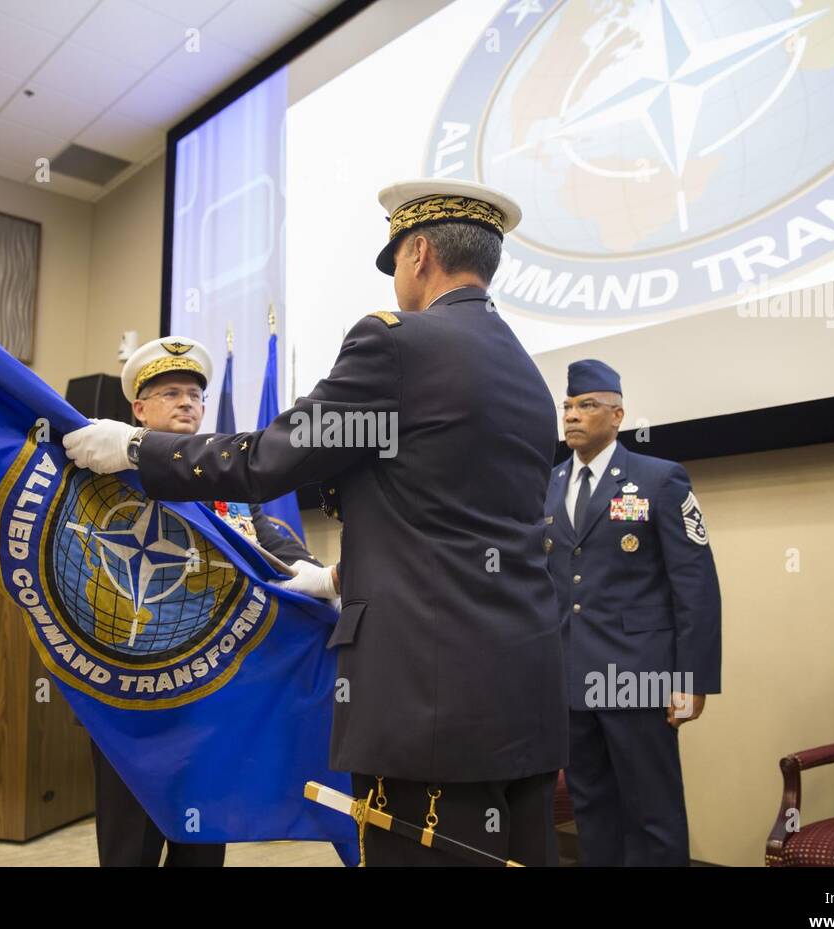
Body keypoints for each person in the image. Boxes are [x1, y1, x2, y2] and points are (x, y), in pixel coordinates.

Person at [64, 179, 566, 866]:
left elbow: (269, 459)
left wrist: (133, 448)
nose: (396, 286)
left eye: (396, 268)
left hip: (428, 703)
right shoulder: (527, 376)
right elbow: (467, 522)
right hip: (524, 692)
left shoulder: (399, 345)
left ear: (418, 254)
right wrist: (337, 576)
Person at [86, 334, 323, 867]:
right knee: (131, 848)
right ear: (139, 408)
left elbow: (274, 541)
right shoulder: (106, 477)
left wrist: (316, 574)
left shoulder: (225, 483)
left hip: (210, 698)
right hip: (131, 698)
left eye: (195, 393)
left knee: (202, 845)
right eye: (171, 392)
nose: (188, 402)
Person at [544, 359, 722, 866]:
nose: (573, 416)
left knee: (652, 813)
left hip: (638, 677)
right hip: (571, 678)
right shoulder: (549, 485)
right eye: (568, 407)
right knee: (592, 809)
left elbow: (696, 585)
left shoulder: (659, 480)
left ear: (618, 415)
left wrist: (692, 679)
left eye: (587, 406)